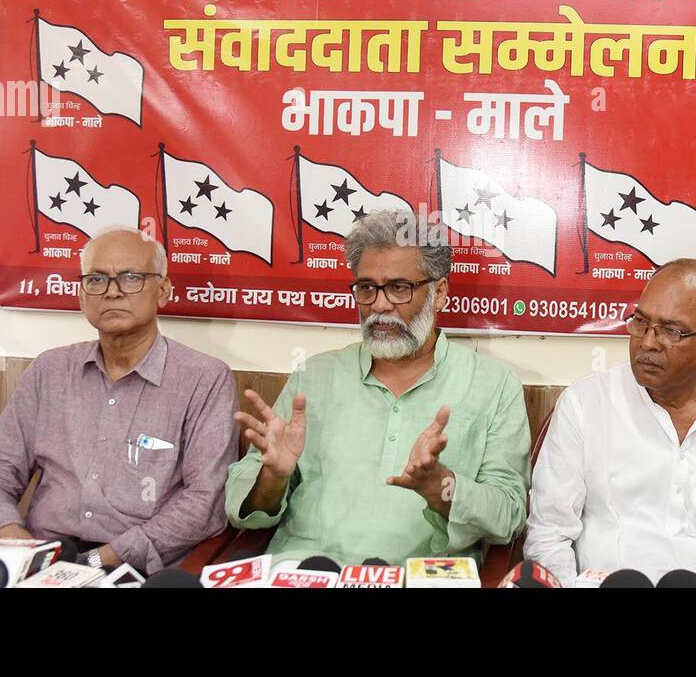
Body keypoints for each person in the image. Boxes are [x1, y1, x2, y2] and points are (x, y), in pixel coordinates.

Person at [226, 210, 530, 565]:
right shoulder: (315, 376)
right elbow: (243, 509)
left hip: (418, 579)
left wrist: (441, 487)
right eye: (367, 288)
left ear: (440, 293)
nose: (380, 305)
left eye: (400, 288)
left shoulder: (493, 385)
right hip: (307, 572)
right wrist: (273, 478)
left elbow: (509, 515)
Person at [0, 226, 236, 573]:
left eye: (131, 277)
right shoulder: (50, 369)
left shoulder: (203, 379)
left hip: (138, 569)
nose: (112, 292)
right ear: (80, 295)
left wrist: (98, 559)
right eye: (96, 280)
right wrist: (12, 533)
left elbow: (205, 503)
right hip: (41, 558)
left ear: (163, 290)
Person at [525, 259, 696, 586]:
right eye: (641, 323)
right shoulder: (585, 404)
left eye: (671, 331)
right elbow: (549, 535)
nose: (647, 342)